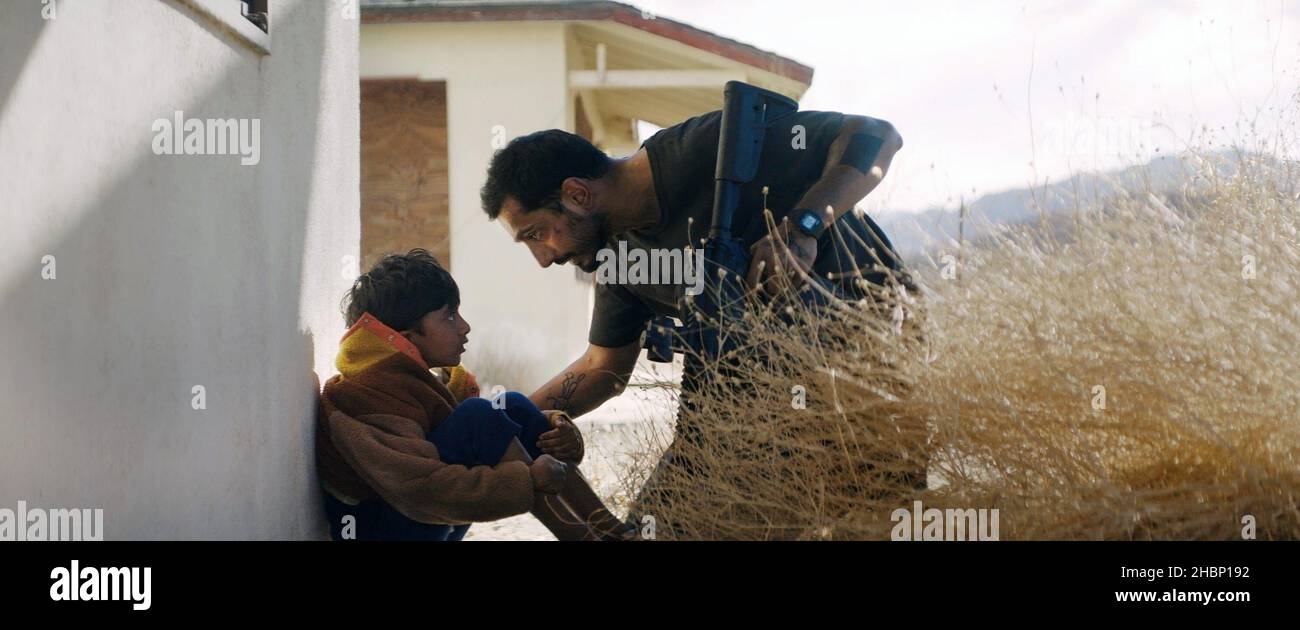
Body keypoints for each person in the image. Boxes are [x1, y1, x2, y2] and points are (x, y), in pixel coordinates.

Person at [481, 106, 918, 533]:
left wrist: (801, 227)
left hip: (865, 377)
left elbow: (877, 134)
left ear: (577, 194)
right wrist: (497, 419)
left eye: (537, 233)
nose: (542, 259)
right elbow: (602, 369)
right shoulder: (616, 257)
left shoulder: (705, 148)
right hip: (742, 412)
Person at [315, 249, 632, 540]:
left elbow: (496, 428)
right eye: (449, 316)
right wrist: (528, 480)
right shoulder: (367, 394)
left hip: (418, 519)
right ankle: (579, 537)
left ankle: (613, 531)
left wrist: (555, 428)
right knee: (479, 414)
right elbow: (420, 489)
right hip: (381, 529)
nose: (465, 327)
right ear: (407, 337)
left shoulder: (412, 380)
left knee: (511, 405)